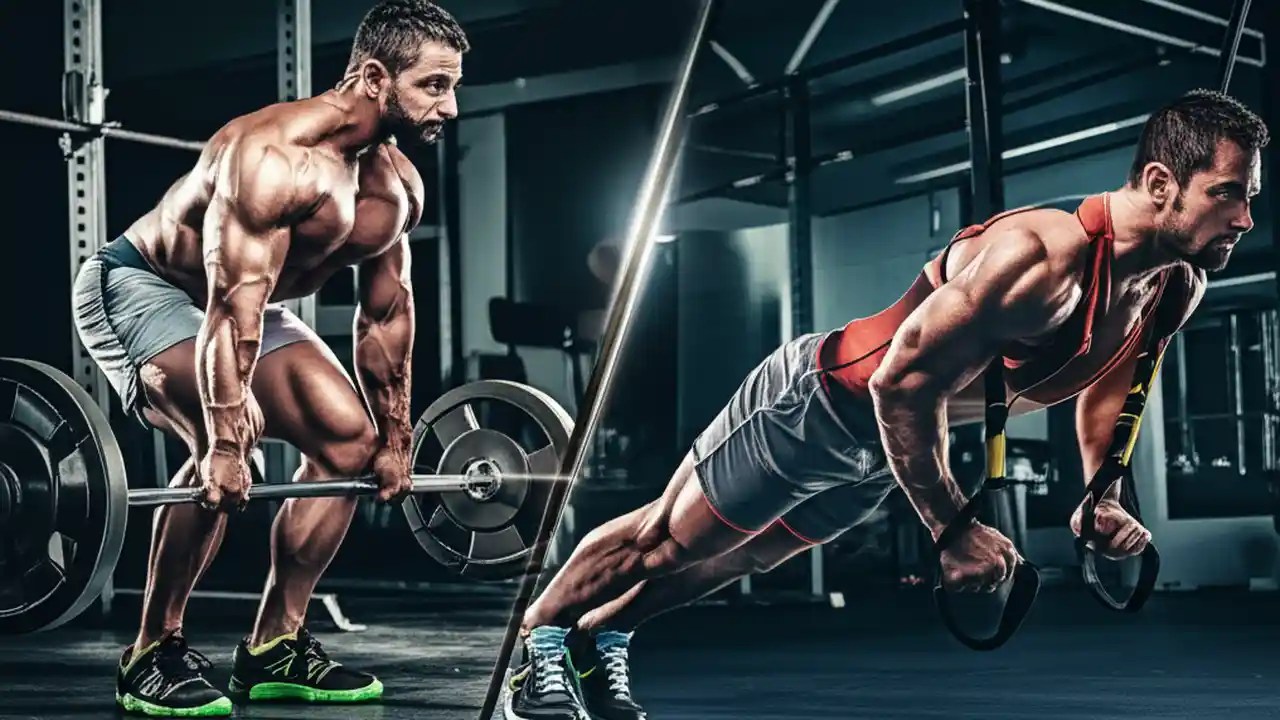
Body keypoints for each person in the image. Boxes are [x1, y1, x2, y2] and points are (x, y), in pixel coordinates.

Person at [502, 89, 1268, 720]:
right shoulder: (1041, 259)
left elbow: (1107, 382)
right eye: (1228, 194)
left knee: (739, 556)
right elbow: (897, 384)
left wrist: (1099, 490)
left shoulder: (1175, 281)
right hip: (820, 403)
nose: (1245, 219)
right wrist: (951, 529)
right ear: (1162, 183)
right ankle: (530, 649)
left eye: (1251, 198)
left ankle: (604, 643)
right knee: (667, 541)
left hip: (886, 446)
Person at [70, 1, 467, 716]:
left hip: (248, 307)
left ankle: (274, 646)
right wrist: (222, 438)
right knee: (233, 435)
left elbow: (386, 314)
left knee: (351, 444)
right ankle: (150, 652)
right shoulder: (271, 153)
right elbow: (230, 305)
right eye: (434, 85)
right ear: (376, 78)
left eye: (453, 86)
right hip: (143, 284)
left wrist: (399, 436)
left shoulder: (395, 186)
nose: (451, 105)